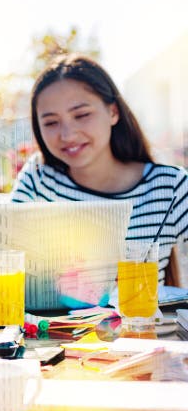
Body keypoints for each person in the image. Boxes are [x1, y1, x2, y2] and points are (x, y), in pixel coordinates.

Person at [11, 53, 188, 281]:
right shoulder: (39, 178)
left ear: (113, 112)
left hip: (140, 317)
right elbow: (1, 256)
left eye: (82, 115)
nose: (68, 134)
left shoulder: (170, 187)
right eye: (51, 122)